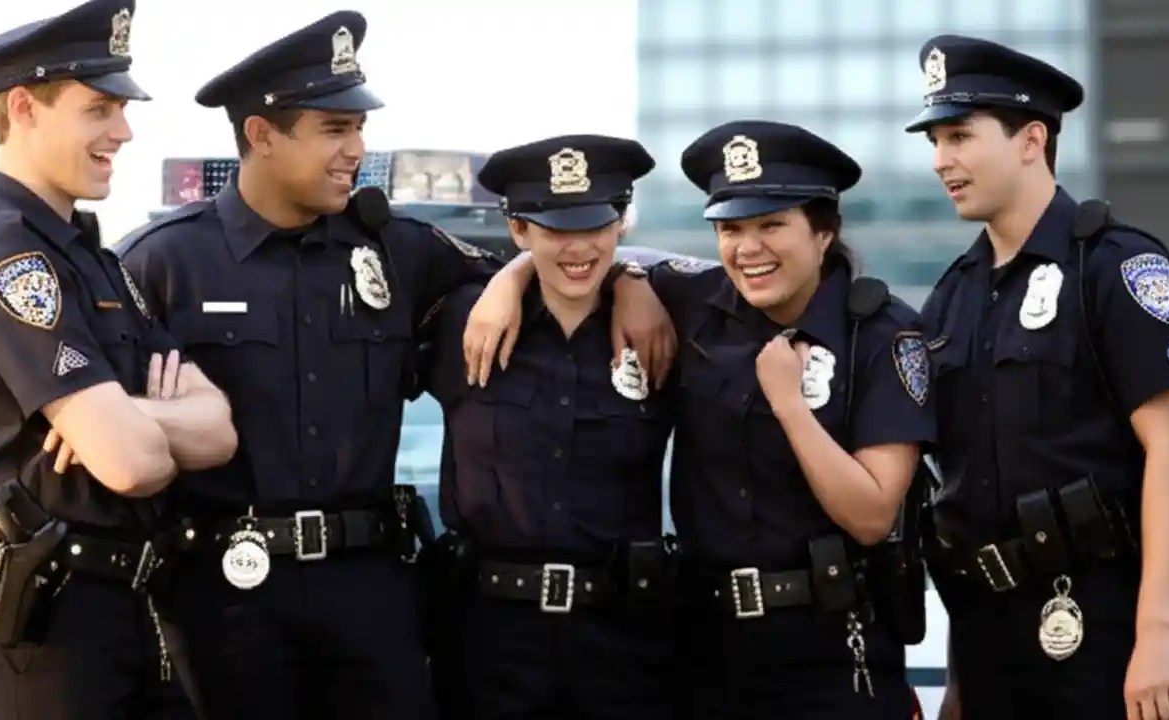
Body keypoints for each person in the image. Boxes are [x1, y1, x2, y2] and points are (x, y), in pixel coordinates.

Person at [115, 11, 674, 719]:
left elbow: (557, 261)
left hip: (369, 593)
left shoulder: (400, 251)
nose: (357, 149)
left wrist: (626, 281)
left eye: (359, 129)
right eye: (335, 129)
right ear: (261, 135)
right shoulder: (164, 262)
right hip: (225, 595)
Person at [0, 1, 237, 718]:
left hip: (127, 606)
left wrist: (122, 413)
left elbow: (219, 430)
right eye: (99, 109)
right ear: (24, 108)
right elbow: (135, 466)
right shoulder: (8, 263)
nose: (123, 132)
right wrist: (153, 427)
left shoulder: (99, 264)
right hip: (41, 617)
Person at [905, 34, 1169, 720]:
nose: (943, 161)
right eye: (936, 140)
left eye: (961, 136)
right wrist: (962, 673)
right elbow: (956, 493)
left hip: (1101, 622)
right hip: (987, 633)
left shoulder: (1114, 268)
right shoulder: (950, 299)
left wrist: (1155, 636)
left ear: (1031, 140)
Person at [617, 120, 937, 718]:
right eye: (731, 228)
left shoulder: (883, 334)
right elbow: (598, 257)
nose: (748, 248)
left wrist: (790, 405)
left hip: (833, 649)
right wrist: (532, 278)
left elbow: (871, 515)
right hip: (707, 650)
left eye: (772, 225)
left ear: (823, 233)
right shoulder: (696, 303)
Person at [421, 135, 676, 720]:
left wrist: (631, 277)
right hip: (487, 644)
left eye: (597, 225)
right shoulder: (460, 317)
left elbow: (735, 272)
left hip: (625, 646)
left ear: (622, 223)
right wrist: (509, 278)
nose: (579, 248)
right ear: (519, 231)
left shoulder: (667, 317)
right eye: (555, 229)